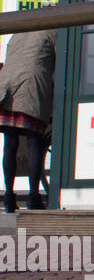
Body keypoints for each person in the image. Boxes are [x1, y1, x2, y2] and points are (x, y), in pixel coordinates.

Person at [0, 29, 57, 212]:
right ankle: (34, 196)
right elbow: (60, 65)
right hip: (32, 84)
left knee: (10, 143)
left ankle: (9, 197)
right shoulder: (53, 33)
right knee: (35, 143)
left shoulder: (19, 33)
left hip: (7, 85)